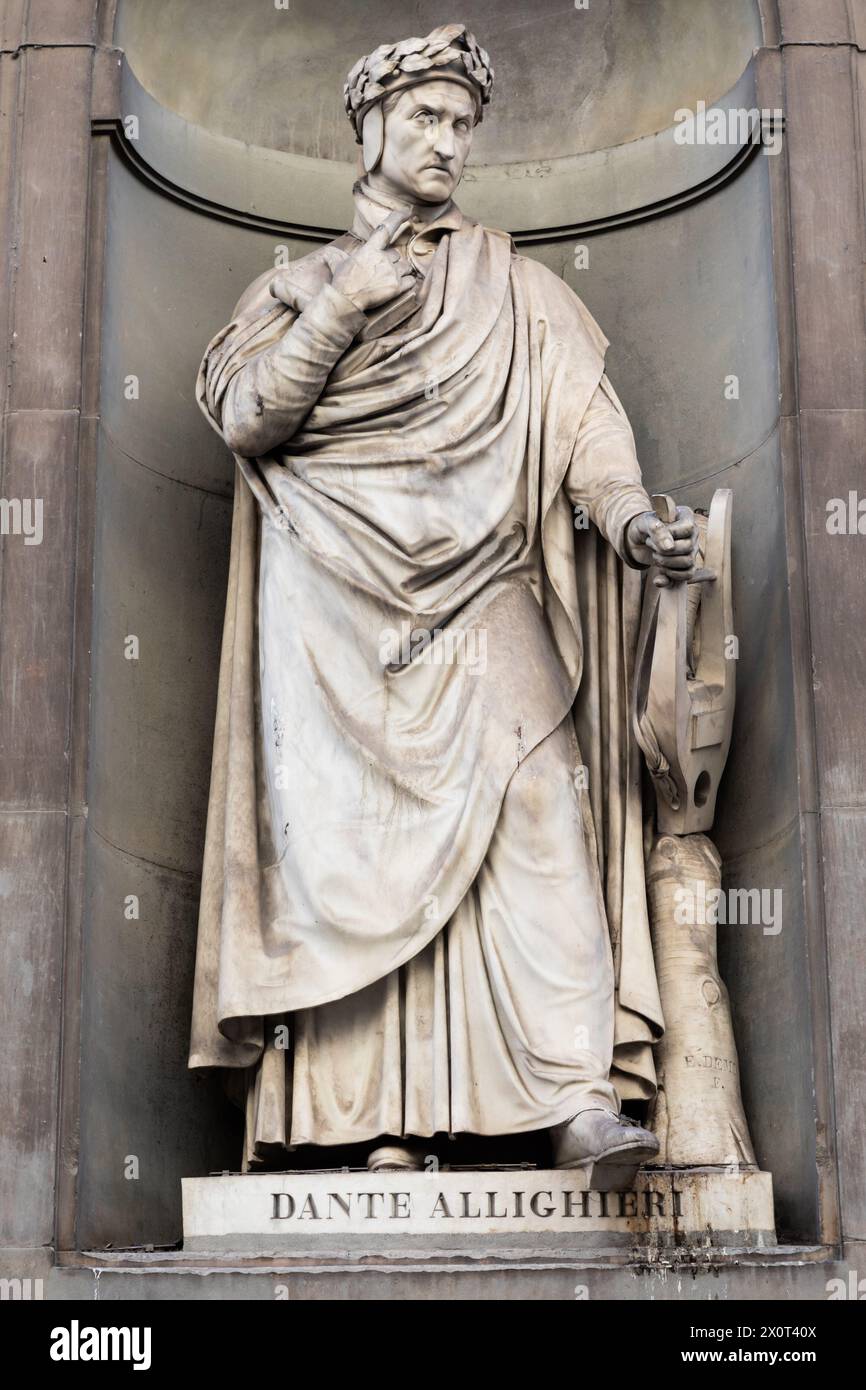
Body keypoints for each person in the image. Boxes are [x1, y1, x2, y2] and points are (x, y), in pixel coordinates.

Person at [189, 23, 698, 1187]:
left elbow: (583, 429)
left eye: (462, 124)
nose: (446, 142)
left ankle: (575, 1097)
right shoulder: (294, 284)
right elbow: (247, 416)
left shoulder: (517, 293)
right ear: (367, 127)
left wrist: (627, 519)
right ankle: (379, 1119)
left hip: (487, 598)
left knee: (540, 807)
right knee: (350, 856)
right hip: (335, 622)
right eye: (424, 117)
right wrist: (342, 307)